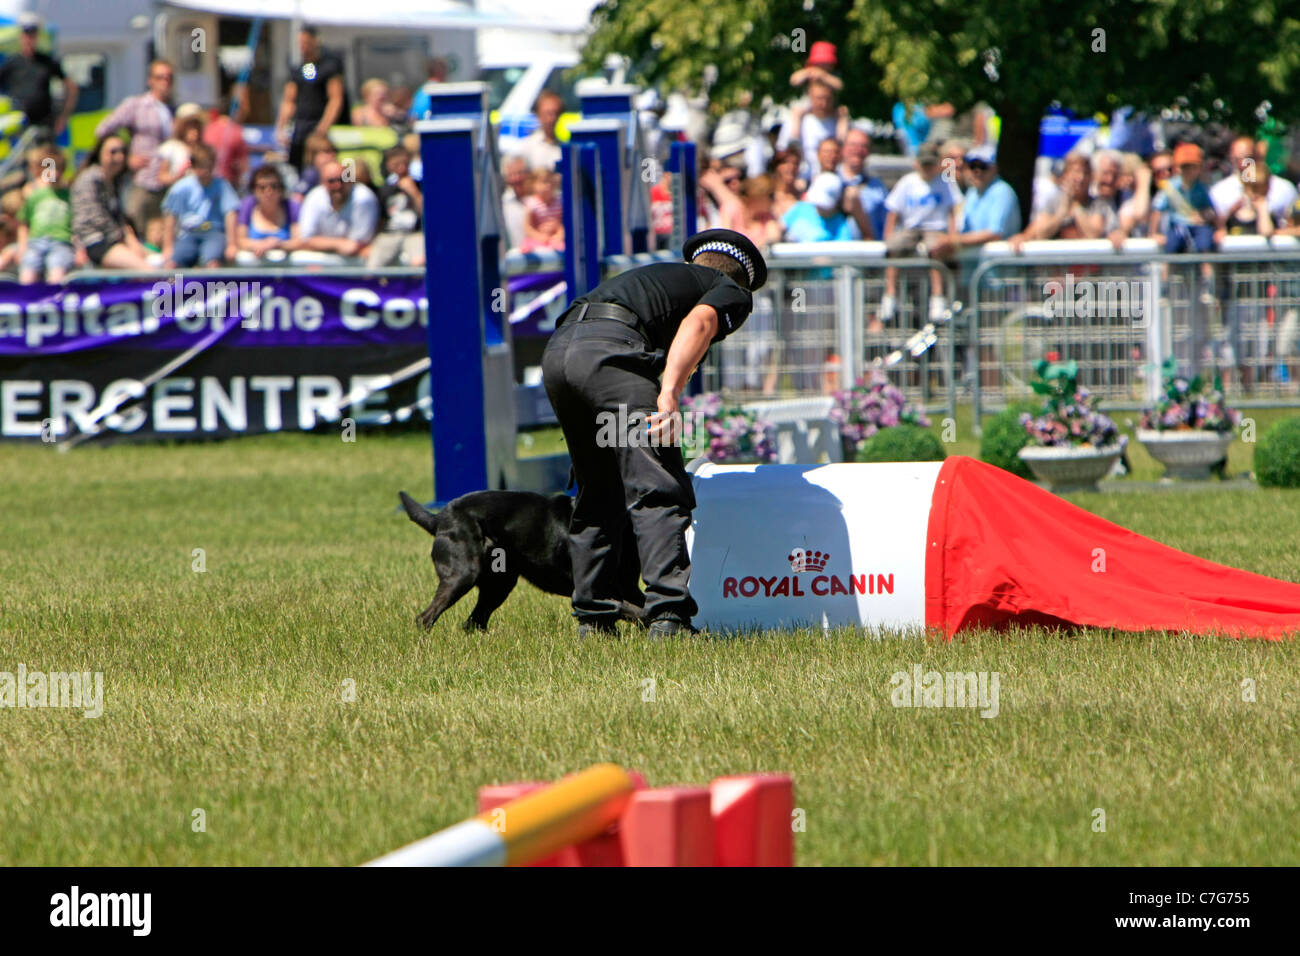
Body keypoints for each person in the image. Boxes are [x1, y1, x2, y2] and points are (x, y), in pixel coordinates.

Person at [541, 228, 768, 638]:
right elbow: (701, 321)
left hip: (560, 352)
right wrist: (669, 394)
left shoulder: (660, 278)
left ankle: (593, 618)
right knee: (656, 486)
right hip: (612, 354)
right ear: (741, 278)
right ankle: (669, 615)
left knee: (599, 487)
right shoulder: (729, 289)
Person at [94, 59, 176, 235]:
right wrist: (125, 156)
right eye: (160, 77)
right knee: (137, 228)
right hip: (144, 179)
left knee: (166, 234)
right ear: (150, 80)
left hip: (169, 181)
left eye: (168, 78)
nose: (164, 82)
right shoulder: (137, 105)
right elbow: (103, 130)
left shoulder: (173, 110)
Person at [881, 142, 957, 322]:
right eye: (924, 164)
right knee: (893, 246)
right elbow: (893, 210)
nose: (927, 168)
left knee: (934, 248)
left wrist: (953, 236)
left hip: (935, 229)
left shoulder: (946, 181)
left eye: (931, 164)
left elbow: (952, 210)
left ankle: (937, 297)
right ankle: (890, 294)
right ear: (916, 163)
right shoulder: (907, 182)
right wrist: (888, 235)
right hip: (911, 229)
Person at [70, 134, 151, 269]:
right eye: (113, 152)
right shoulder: (90, 179)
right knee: (147, 270)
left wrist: (130, 239)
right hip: (94, 242)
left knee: (160, 261)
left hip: (116, 240)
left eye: (122, 152)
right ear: (100, 153)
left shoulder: (118, 181)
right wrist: (125, 240)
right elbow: (95, 218)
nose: (119, 157)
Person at [276, 25, 347, 170]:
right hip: (301, 126)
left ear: (316, 42)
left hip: (322, 127)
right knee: (297, 165)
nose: (303, 47)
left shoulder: (329, 66)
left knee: (327, 163)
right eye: (300, 43)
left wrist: (323, 128)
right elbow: (289, 100)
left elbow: (335, 99)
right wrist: (281, 126)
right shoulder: (298, 68)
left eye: (306, 42)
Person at [161, 143, 240, 268]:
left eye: (207, 167)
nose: (204, 172)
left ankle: (210, 287)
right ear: (193, 166)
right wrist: (167, 247)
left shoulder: (222, 186)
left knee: (212, 262)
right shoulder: (181, 187)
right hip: (188, 233)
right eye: (200, 167)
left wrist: (232, 245)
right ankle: (171, 287)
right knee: (172, 263)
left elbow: (230, 214)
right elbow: (170, 217)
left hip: (214, 232)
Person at [0, 13, 77, 136]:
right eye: (26, 34)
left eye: (33, 35)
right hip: (17, 125)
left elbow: (71, 87)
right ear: (21, 36)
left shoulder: (47, 61)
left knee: (46, 155)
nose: (29, 39)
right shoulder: (12, 62)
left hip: (43, 124)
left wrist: (63, 116)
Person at [294, 159, 379, 263]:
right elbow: (305, 239)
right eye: (332, 181)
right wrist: (338, 244)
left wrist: (321, 242)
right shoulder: (314, 197)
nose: (338, 185)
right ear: (322, 182)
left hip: (355, 258)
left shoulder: (363, 198)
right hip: (321, 255)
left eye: (342, 180)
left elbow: (357, 245)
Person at [16, 145, 74, 284]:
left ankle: (51, 304)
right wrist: (22, 247)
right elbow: (23, 224)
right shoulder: (35, 193)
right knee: (27, 276)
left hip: (61, 242)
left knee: (56, 276)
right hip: (35, 242)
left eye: (58, 168)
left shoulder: (68, 194)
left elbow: (75, 224)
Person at [368, 145, 424, 268]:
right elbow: (380, 218)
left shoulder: (420, 186)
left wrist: (414, 192)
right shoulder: (385, 189)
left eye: (404, 163)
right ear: (389, 165)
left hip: (414, 233)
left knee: (418, 262)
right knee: (373, 266)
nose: (401, 167)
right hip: (389, 234)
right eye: (396, 163)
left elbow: (426, 213)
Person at [955, 145, 1021, 250]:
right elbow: (963, 229)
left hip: (998, 264)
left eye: (982, 166)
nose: (977, 171)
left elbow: (995, 233)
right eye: (972, 166)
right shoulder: (972, 193)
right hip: (973, 264)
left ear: (994, 168)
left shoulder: (1002, 191)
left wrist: (953, 241)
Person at [235, 165, 301, 264]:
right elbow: (240, 240)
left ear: (281, 189)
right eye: (262, 187)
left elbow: (299, 242)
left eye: (274, 186)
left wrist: (277, 244)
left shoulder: (292, 207)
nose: (268, 191)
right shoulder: (247, 206)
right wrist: (259, 245)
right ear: (254, 190)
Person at [837, 128, 888, 241]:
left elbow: (886, 225)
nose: (858, 150)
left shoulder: (877, 186)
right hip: (834, 251)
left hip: (867, 251)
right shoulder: (831, 180)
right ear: (843, 149)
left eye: (863, 146)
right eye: (853, 145)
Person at [519, 90, 563, 172]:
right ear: (538, 114)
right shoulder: (527, 146)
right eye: (548, 113)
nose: (552, 119)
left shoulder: (562, 148)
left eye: (556, 113)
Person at [501, 154, 530, 251]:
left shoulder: (545, 198)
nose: (516, 178)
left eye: (520, 173)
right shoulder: (503, 204)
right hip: (516, 260)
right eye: (511, 175)